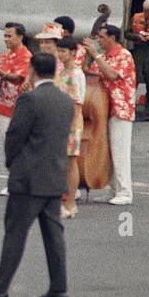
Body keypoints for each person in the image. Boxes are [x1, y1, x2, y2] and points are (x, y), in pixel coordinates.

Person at [0, 52, 73, 297]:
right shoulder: (64, 100)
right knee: (53, 235)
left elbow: (14, 136)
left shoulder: (30, 99)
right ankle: (59, 288)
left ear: (33, 71)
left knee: (15, 233)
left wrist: (12, 163)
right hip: (54, 175)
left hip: (28, 178)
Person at [82, 24, 135, 205]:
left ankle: (125, 191)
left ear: (112, 37)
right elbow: (93, 75)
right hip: (103, 108)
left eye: (102, 37)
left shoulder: (124, 55)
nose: (100, 40)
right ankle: (113, 188)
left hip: (121, 108)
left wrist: (95, 55)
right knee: (108, 152)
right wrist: (85, 57)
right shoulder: (103, 57)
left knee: (120, 152)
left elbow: (112, 75)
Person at [0, 23, 31, 193]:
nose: (6, 39)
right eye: (5, 36)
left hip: (14, 109)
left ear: (20, 37)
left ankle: (14, 182)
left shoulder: (26, 57)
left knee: (12, 147)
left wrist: (3, 74)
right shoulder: (4, 56)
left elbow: (19, 78)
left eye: (10, 36)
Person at [54, 36, 87, 219]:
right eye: (59, 51)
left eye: (63, 51)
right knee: (63, 163)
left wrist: (69, 126)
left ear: (73, 53)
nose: (60, 54)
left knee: (71, 162)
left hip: (71, 122)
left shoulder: (75, 74)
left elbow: (76, 104)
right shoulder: (63, 72)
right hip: (59, 121)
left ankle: (71, 202)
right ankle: (64, 200)